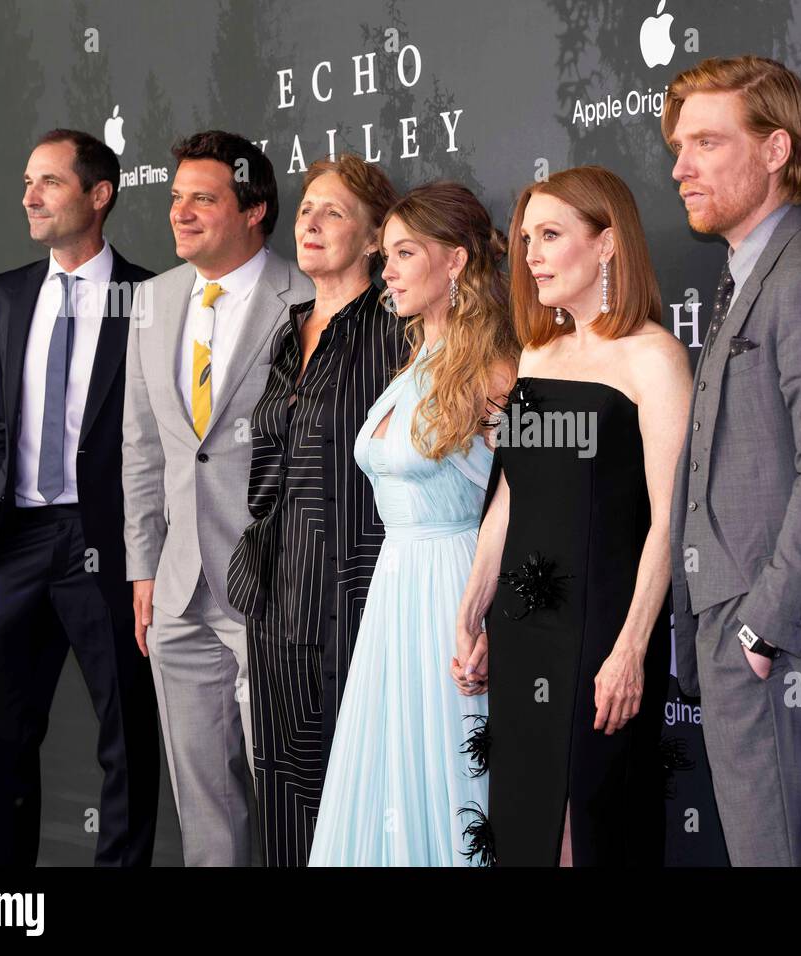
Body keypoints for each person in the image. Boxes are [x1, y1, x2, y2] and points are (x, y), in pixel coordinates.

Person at [662, 56, 801, 866]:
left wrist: (763, 629)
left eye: (707, 142)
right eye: (679, 146)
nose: (680, 167)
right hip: (738, 642)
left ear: (779, 150)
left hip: (778, 647)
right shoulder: (751, 277)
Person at [456, 165, 691, 866]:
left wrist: (631, 650)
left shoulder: (655, 358)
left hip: (602, 630)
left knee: (584, 832)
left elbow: (670, 520)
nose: (530, 255)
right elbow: (510, 495)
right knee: (524, 827)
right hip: (524, 627)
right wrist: (474, 609)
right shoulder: (537, 352)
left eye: (551, 235)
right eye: (526, 238)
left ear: (608, 243)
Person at [0, 129, 159, 866]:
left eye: (48, 182)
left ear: (99, 194)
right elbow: (3, 419)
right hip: (14, 539)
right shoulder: (7, 292)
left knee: (128, 737)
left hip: (105, 539)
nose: (29, 197)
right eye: (26, 181)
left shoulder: (150, 295)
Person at [308, 182, 516, 865]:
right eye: (386, 254)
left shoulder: (493, 373)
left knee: (452, 776)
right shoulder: (413, 365)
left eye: (404, 253)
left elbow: (524, 501)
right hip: (393, 596)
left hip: (453, 591)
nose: (386, 270)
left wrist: (484, 612)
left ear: (455, 261)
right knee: (391, 771)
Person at [122, 130, 313, 866]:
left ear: (255, 208)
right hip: (177, 596)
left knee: (290, 796)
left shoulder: (306, 297)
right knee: (205, 814)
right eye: (175, 197)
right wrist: (143, 569)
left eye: (204, 197)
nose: (182, 212)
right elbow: (143, 447)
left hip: (273, 591)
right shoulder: (153, 299)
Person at [226, 155, 408, 866]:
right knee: (281, 797)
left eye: (333, 212)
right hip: (276, 602)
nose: (310, 221)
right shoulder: (288, 329)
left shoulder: (398, 332)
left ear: (373, 240)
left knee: (356, 799)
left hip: (357, 604)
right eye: (305, 209)